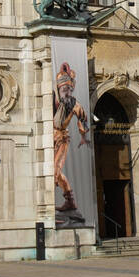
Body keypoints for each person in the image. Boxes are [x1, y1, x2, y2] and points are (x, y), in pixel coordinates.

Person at [53, 62, 90, 221]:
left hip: (62, 139)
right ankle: (71, 202)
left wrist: (83, 136)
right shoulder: (52, 98)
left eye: (68, 89)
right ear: (59, 89)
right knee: (56, 172)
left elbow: (83, 118)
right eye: (63, 89)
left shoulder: (74, 104)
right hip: (48, 136)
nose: (66, 92)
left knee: (54, 169)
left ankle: (63, 204)